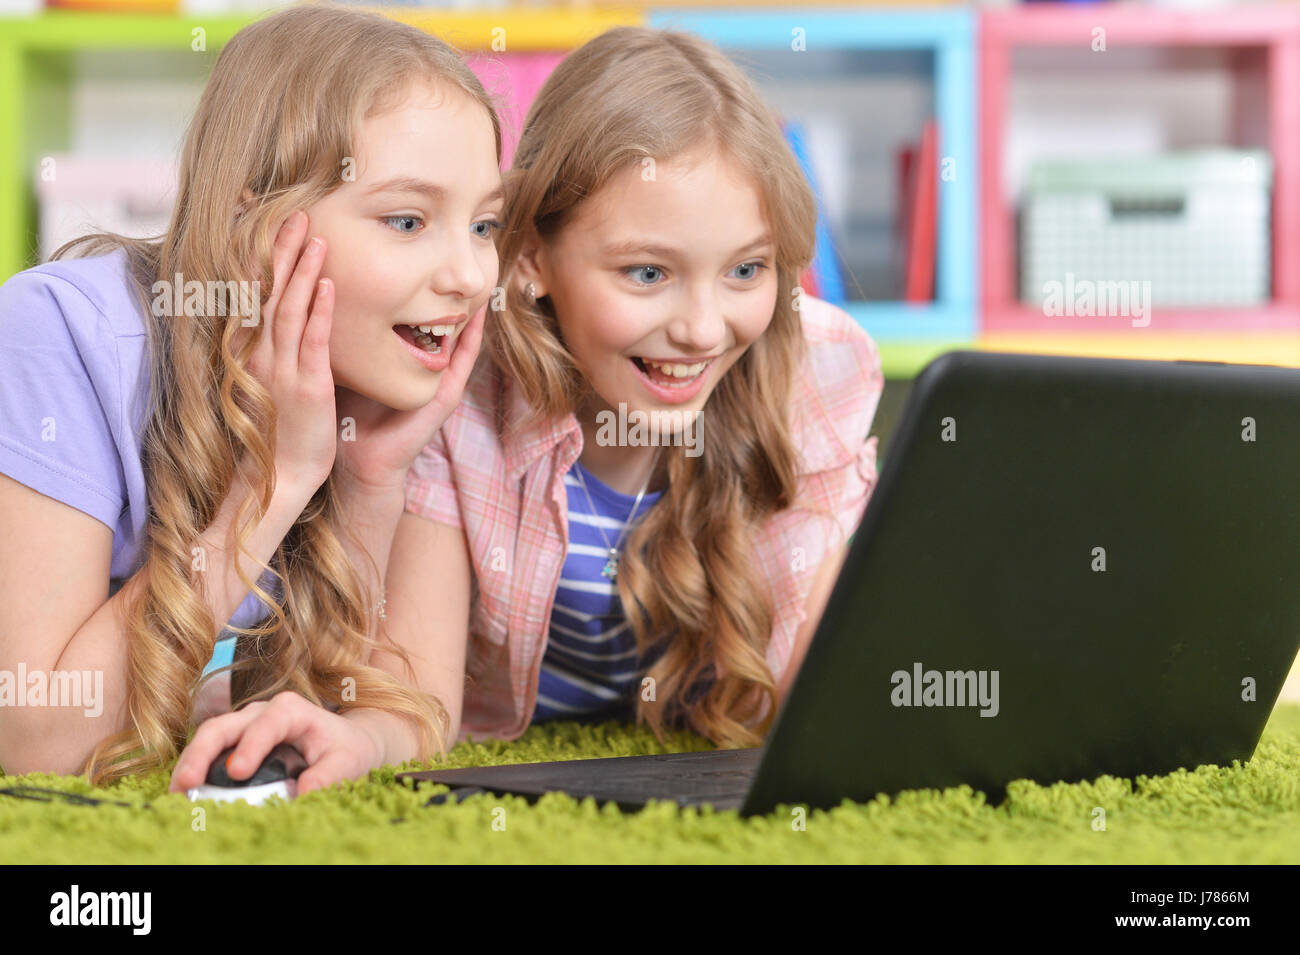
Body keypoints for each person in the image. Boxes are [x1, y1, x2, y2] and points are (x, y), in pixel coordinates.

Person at [0, 5, 502, 794]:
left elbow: (406, 711)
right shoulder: (61, 333)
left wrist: (371, 481)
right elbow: (39, 739)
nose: (470, 277)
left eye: (485, 225)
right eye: (407, 220)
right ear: (255, 225)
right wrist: (275, 478)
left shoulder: (388, 363)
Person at [390, 26, 884, 750]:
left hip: (697, 735)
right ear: (531, 258)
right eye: (648, 273)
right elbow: (418, 706)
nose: (702, 330)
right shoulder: (461, 385)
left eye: (745, 269)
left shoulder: (817, 370)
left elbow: (815, 693)